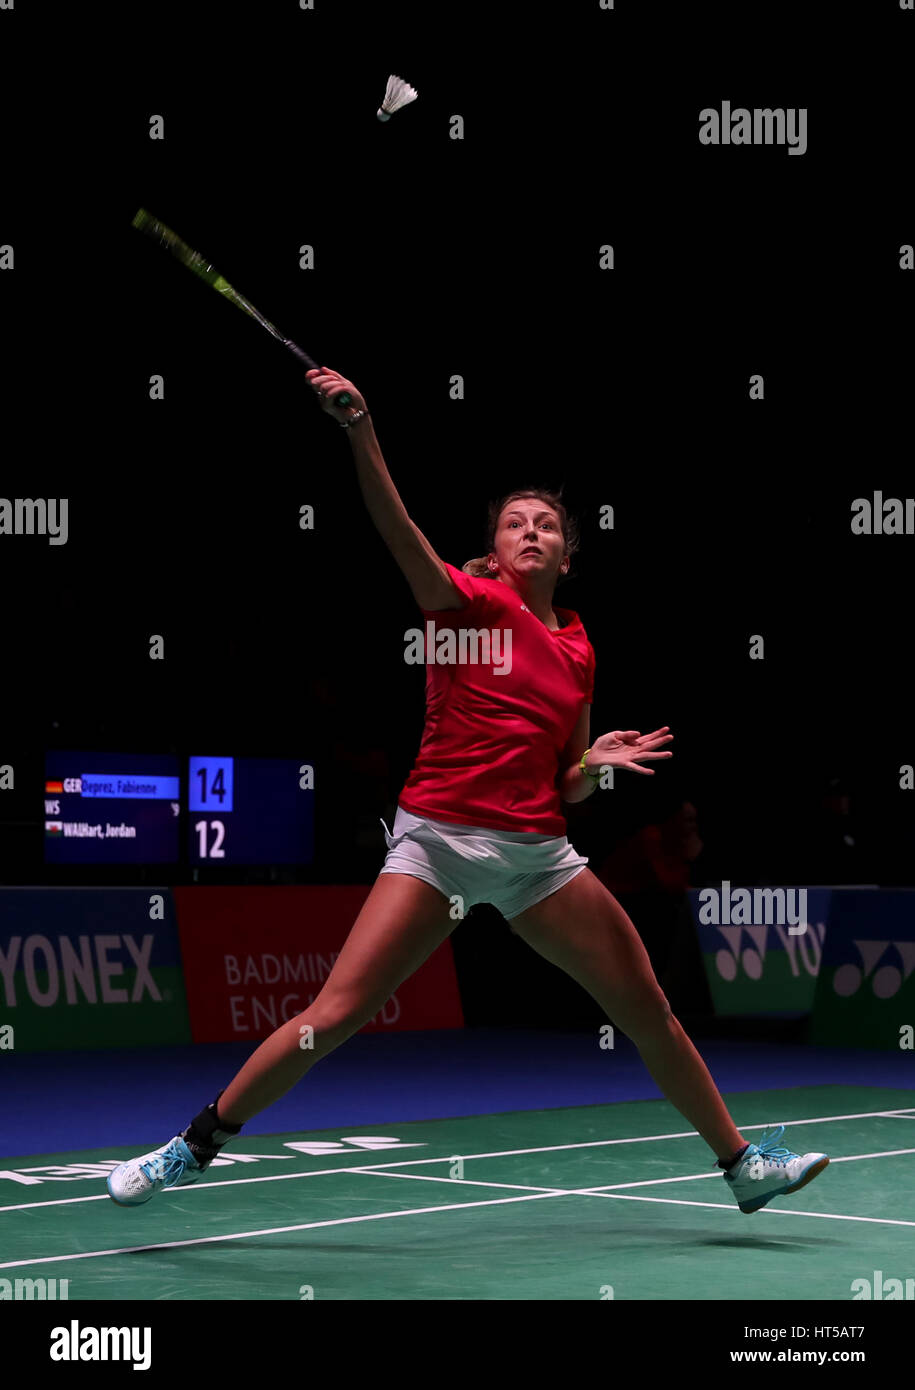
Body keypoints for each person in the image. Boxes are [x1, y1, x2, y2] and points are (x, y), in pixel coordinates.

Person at [107, 368, 828, 1217]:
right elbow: (398, 531)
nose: (531, 531)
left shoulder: (577, 649)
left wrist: (592, 764)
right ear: (494, 548)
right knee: (332, 1015)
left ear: (567, 551)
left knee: (649, 1013)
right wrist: (360, 430)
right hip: (437, 846)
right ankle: (190, 1148)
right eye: (515, 522)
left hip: (536, 861)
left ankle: (740, 1164)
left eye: (547, 524)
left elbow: (565, 782)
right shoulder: (466, 606)